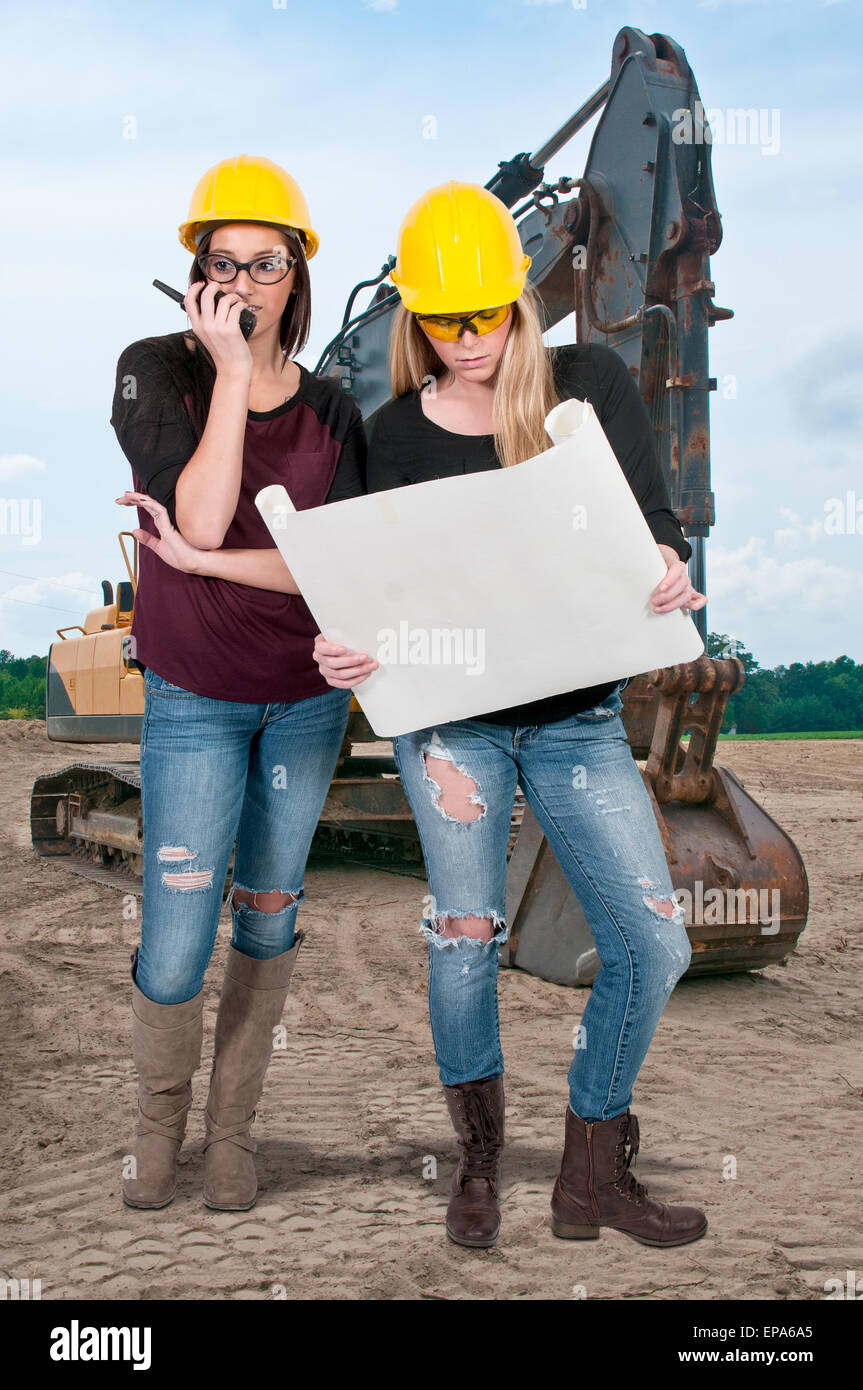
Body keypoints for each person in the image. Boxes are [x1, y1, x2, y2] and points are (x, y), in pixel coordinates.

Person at [313, 181, 709, 1250]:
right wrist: (341, 646)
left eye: (484, 313)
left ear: (518, 297)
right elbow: (362, 599)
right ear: (414, 318)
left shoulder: (588, 389)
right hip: (453, 727)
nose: (467, 337)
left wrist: (667, 565)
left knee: (651, 943)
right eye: (442, 320)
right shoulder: (387, 436)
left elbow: (653, 525)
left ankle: (589, 1172)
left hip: (576, 720)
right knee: (463, 939)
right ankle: (478, 1162)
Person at [110, 154, 365, 1213]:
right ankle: (155, 1129)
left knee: (266, 913)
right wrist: (225, 372)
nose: (248, 283)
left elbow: (323, 562)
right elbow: (205, 511)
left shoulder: (338, 410)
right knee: (175, 934)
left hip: (304, 699)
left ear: (296, 278)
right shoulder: (150, 369)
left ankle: (229, 1135)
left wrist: (204, 564)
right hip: (195, 697)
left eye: (270, 264)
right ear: (197, 274)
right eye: (226, 263)